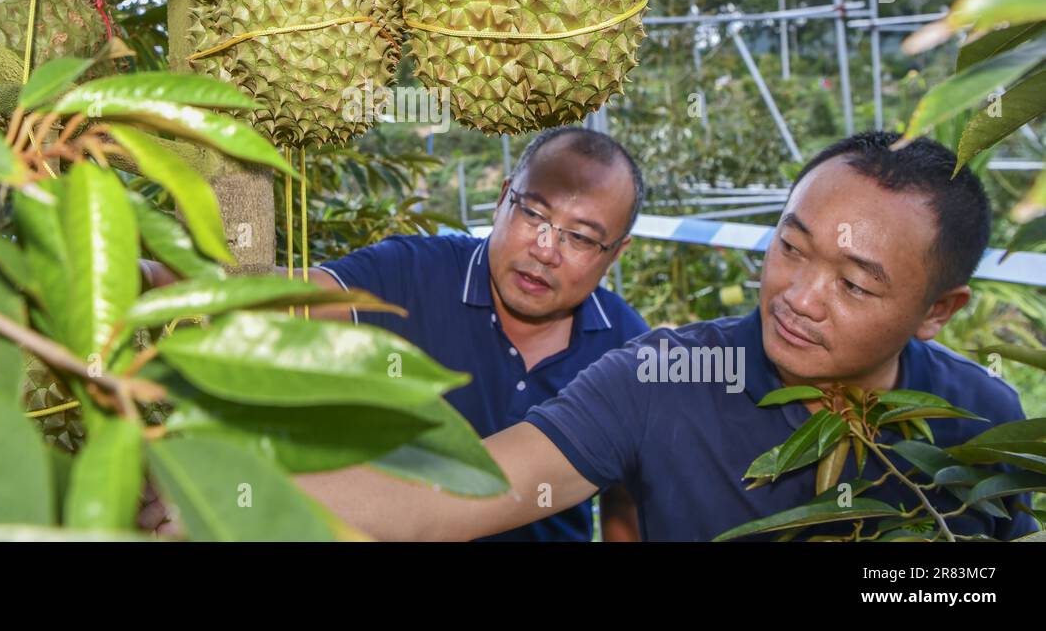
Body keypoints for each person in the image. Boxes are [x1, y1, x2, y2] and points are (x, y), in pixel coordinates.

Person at [295, 132, 1039, 541]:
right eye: (790, 248)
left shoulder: (984, 422)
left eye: (855, 285)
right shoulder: (658, 378)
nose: (799, 297)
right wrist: (246, 499)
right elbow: (450, 493)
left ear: (939, 310)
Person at [144, 126, 651, 541]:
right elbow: (284, 296)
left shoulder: (629, 351)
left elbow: (627, 506)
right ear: (502, 200)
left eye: (580, 237)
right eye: (533, 213)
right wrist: (142, 275)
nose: (545, 248)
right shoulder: (415, 273)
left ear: (616, 253)